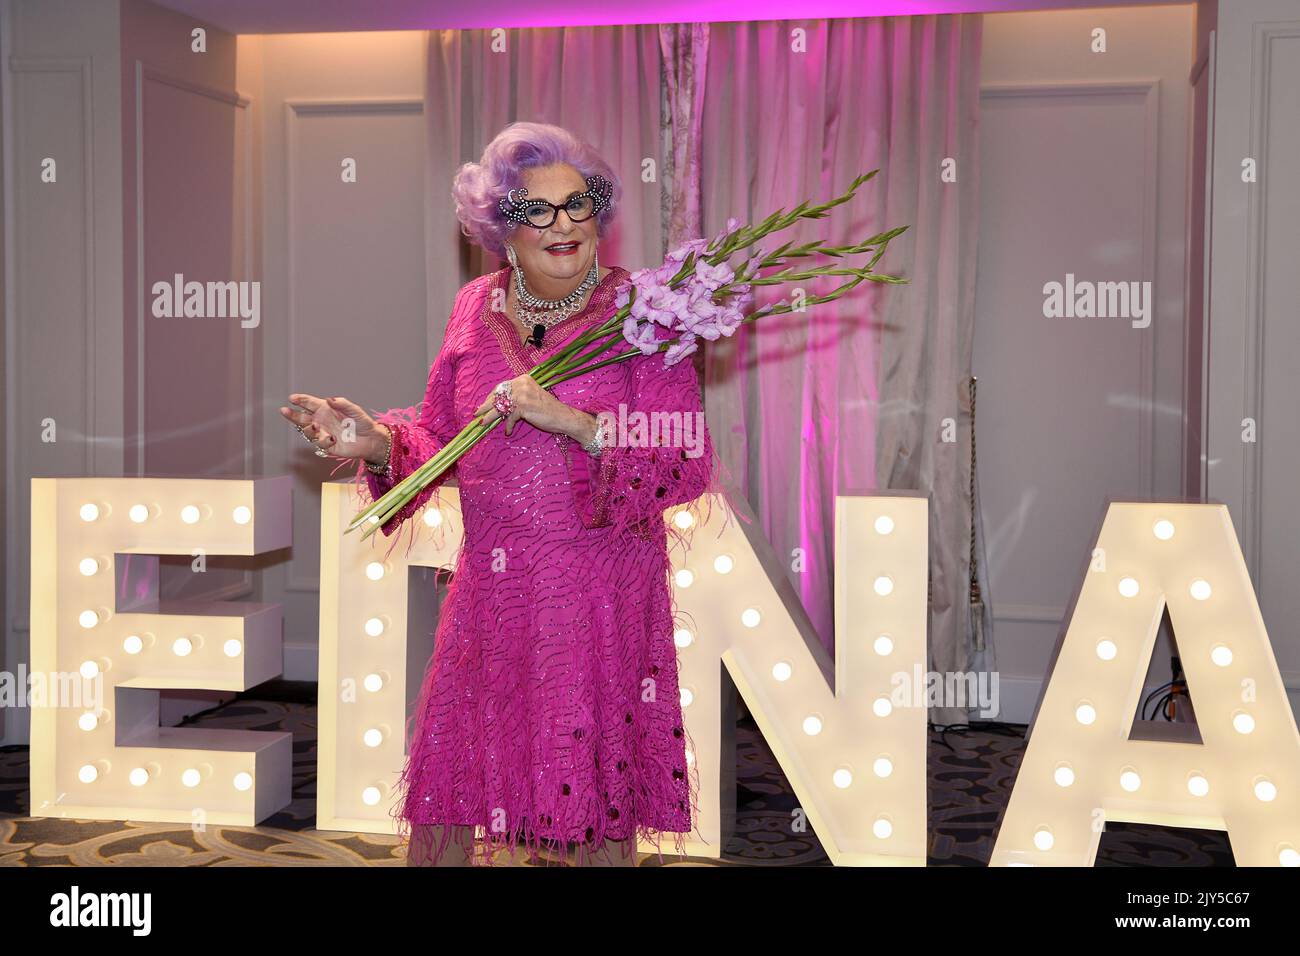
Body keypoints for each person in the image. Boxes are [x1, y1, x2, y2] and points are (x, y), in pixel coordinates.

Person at [280, 121, 723, 867]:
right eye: (537, 210)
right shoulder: (472, 307)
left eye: (580, 203)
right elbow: (440, 434)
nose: (565, 224)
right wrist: (378, 444)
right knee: (451, 791)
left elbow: (684, 455)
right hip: (491, 591)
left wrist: (577, 424)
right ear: (500, 228)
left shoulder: (647, 314)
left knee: (592, 798)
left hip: (600, 596)